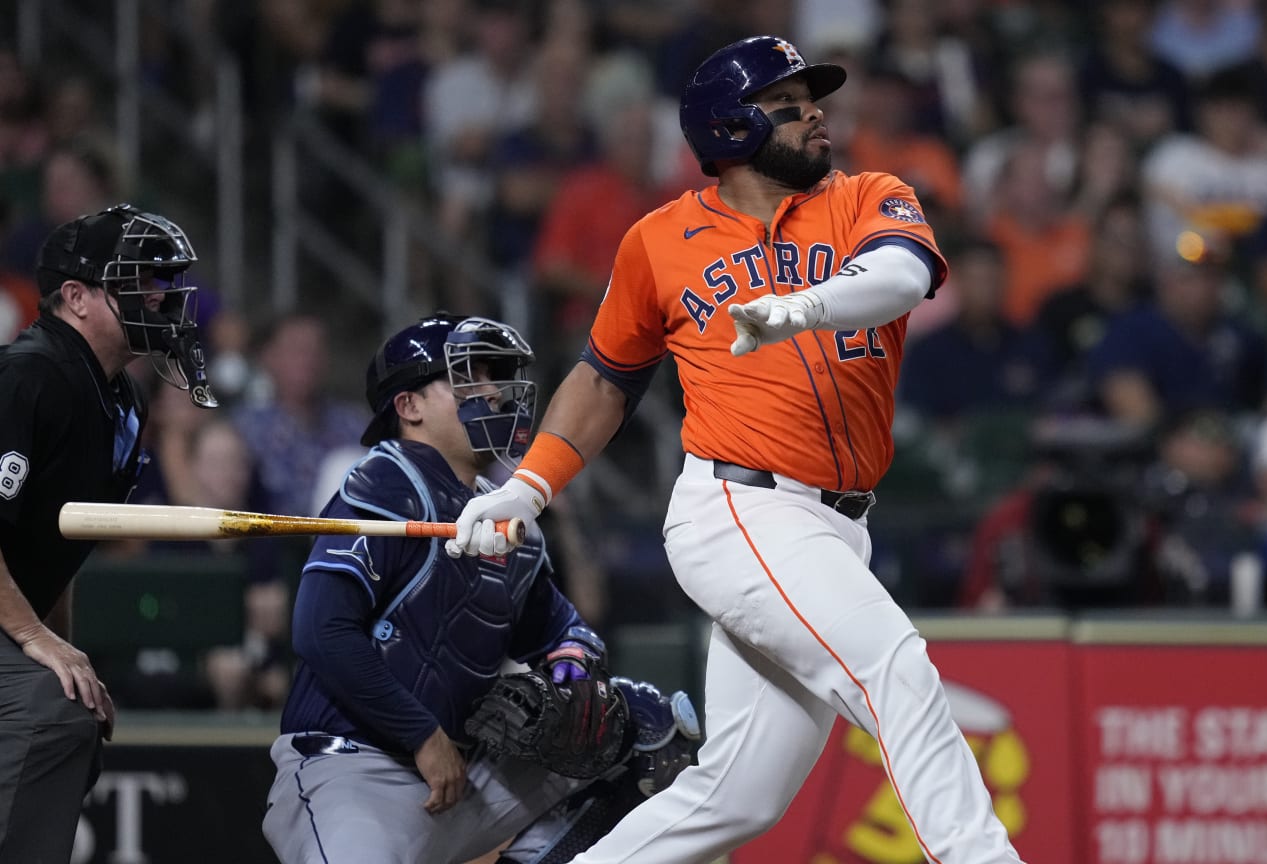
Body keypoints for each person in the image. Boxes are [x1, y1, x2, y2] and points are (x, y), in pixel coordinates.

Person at [450, 36, 1025, 863]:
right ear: (728, 128)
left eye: (811, 98)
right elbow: (606, 378)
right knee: (895, 668)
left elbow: (902, 277)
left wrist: (798, 307)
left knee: (737, 796)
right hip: (740, 504)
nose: (813, 113)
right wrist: (526, 488)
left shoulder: (869, 194)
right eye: (786, 104)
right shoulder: (660, 239)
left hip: (837, 525)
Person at [262, 314, 698, 864]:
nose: (492, 393)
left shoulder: (505, 513)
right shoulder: (389, 479)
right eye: (469, 378)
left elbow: (566, 633)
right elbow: (320, 630)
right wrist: (423, 735)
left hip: (460, 776)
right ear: (409, 407)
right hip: (352, 769)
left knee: (647, 733)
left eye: (496, 377)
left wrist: (571, 667)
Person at [0, 203, 212, 861]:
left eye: (163, 279)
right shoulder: (28, 374)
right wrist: (37, 638)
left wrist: (60, 644)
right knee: (53, 712)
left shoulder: (123, 399)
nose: (162, 295)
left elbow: (57, 547)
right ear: (77, 297)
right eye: (142, 279)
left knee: (75, 705)